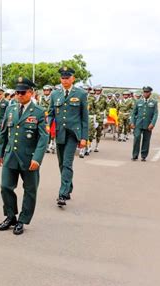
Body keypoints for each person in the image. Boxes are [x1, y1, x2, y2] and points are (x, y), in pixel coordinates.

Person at [0, 77, 48, 235]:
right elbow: (4, 132)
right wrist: (0, 152)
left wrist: (37, 159)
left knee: (30, 190)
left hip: (29, 157)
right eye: (17, 92)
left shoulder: (39, 112)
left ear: (31, 93)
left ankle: (22, 220)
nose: (19, 95)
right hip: (10, 155)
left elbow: (43, 138)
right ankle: (11, 216)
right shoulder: (10, 109)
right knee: (5, 187)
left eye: (22, 92)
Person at [47, 67, 88, 207]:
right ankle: (68, 186)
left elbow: (84, 118)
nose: (65, 80)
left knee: (67, 163)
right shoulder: (54, 94)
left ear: (73, 79)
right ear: (60, 79)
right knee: (61, 163)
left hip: (73, 134)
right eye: (63, 78)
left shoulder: (81, 94)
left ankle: (62, 193)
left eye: (67, 78)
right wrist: (48, 124)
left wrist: (84, 137)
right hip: (59, 132)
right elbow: (51, 113)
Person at [130, 86, 158, 162]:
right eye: (144, 92)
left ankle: (143, 156)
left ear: (150, 93)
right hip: (138, 124)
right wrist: (132, 122)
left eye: (147, 92)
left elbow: (155, 114)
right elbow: (133, 113)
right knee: (137, 138)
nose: (145, 93)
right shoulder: (138, 101)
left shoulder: (154, 102)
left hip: (148, 124)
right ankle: (135, 155)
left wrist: (152, 123)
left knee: (146, 140)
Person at [39, 85, 55, 154]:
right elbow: (39, 106)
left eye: (47, 90)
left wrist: (49, 114)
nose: (46, 91)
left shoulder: (52, 98)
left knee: (48, 131)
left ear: (50, 91)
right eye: (44, 90)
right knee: (41, 130)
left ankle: (49, 145)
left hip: (49, 116)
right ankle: (44, 145)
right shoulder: (41, 98)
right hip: (42, 116)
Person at [91, 85, 107, 152]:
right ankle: (89, 145)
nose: (98, 91)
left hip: (100, 116)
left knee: (99, 131)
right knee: (91, 131)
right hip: (93, 116)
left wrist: (106, 117)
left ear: (101, 91)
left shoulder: (104, 97)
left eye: (99, 90)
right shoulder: (91, 97)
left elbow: (107, 107)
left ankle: (97, 146)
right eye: (96, 90)